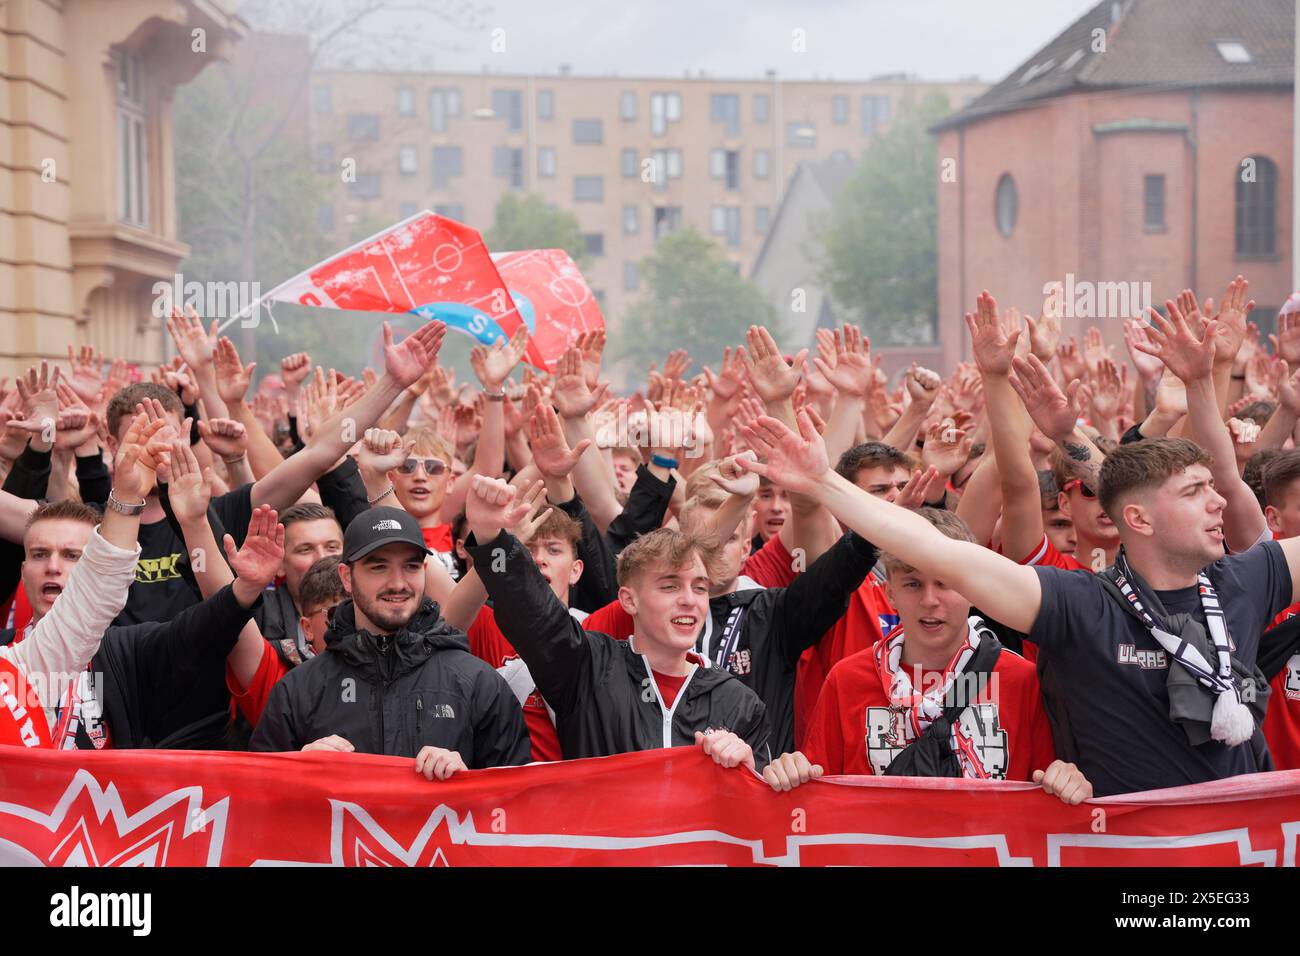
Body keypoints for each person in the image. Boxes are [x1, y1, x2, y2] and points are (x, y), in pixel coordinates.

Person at [736, 368, 1297, 796]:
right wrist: (822, 483)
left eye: (1209, 487)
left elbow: (1234, 481)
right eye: (1194, 490)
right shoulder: (1079, 606)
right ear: (1140, 520)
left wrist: (1203, 379)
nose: (1219, 500)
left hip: (1233, 863)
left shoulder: (1248, 579)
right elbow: (940, 551)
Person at [762, 508, 1092, 805]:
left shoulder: (1022, 680)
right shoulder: (847, 679)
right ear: (890, 592)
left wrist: (1067, 780)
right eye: (913, 584)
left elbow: (1047, 791)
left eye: (945, 583)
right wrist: (792, 772)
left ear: (974, 589)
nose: (930, 600)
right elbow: (818, 789)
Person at [464, 474, 770, 772]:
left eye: (700, 587)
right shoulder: (586, 670)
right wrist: (493, 542)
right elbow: (535, 615)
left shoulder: (739, 701)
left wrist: (752, 768)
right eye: (670, 586)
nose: (690, 599)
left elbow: (764, 812)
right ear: (629, 600)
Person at [251, 505, 531, 780]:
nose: (398, 583)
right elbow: (256, 802)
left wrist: (469, 781)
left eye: (410, 566)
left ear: (423, 570)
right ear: (347, 577)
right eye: (379, 567)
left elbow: (517, 805)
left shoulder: (479, 683)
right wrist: (295, 771)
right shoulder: (298, 691)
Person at [0, 409, 159, 747]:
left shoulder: (20, 668)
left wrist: (127, 499)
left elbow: (97, 589)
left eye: (71, 556)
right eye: (40, 554)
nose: (54, 566)